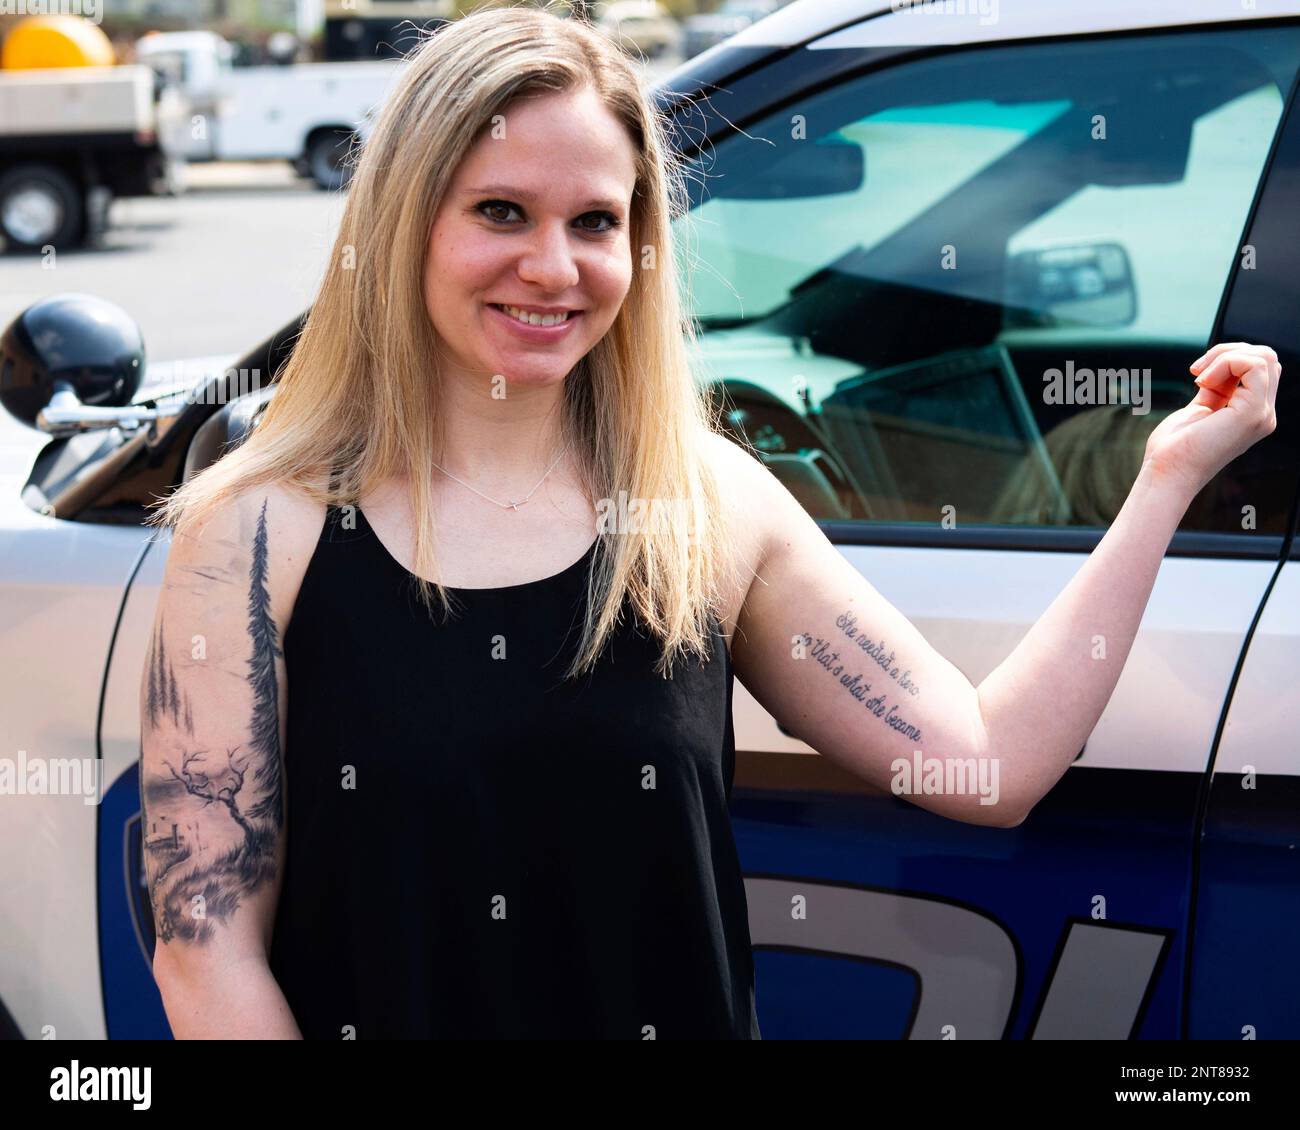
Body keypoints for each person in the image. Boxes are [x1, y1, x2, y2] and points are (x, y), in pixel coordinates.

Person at [138, 3, 1281, 1039]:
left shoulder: (704, 507)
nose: (554, 266)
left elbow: (989, 765)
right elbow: (204, 951)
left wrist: (1163, 480)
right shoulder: (258, 532)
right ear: (401, 225)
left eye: (595, 220)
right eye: (499, 211)